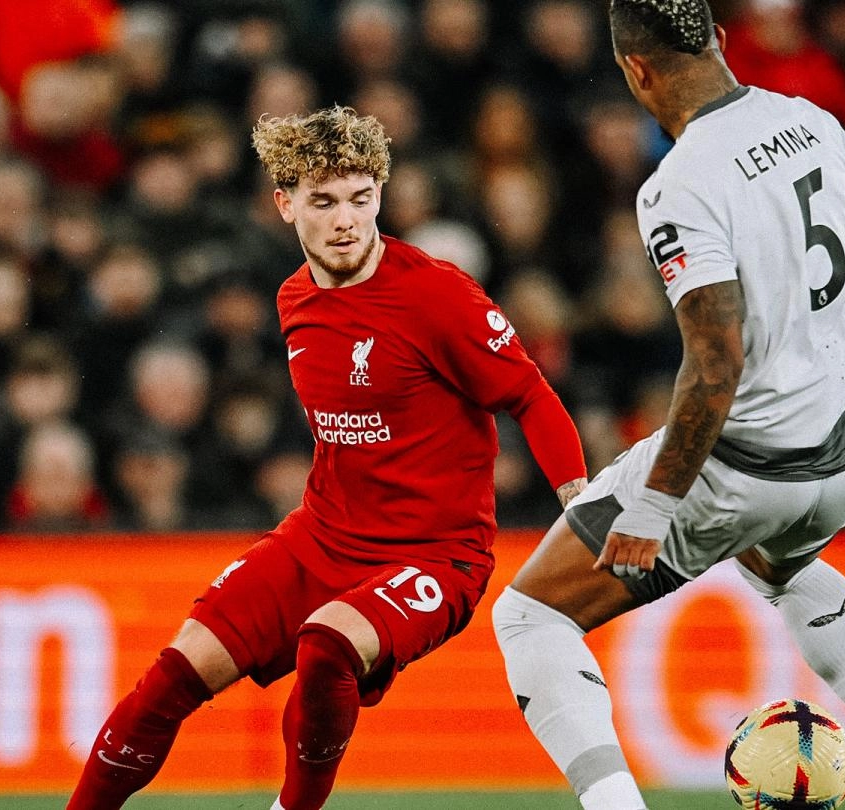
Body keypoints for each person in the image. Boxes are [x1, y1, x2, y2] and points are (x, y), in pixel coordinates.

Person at [491, 3, 845, 810]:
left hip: (751, 464)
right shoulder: (807, 119)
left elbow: (716, 364)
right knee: (780, 565)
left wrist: (653, 507)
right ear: (718, 41)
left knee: (530, 618)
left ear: (636, 71)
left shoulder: (679, 184)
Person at [66, 105, 587, 810]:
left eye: (360, 199)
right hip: (321, 536)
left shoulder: (437, 295)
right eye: (324, 201)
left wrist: (577, 502)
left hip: (436, 555)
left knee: (326, 643)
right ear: (285, 205)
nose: (346, 219)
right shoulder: (292, 301)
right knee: (174, 674)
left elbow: (532, 397)